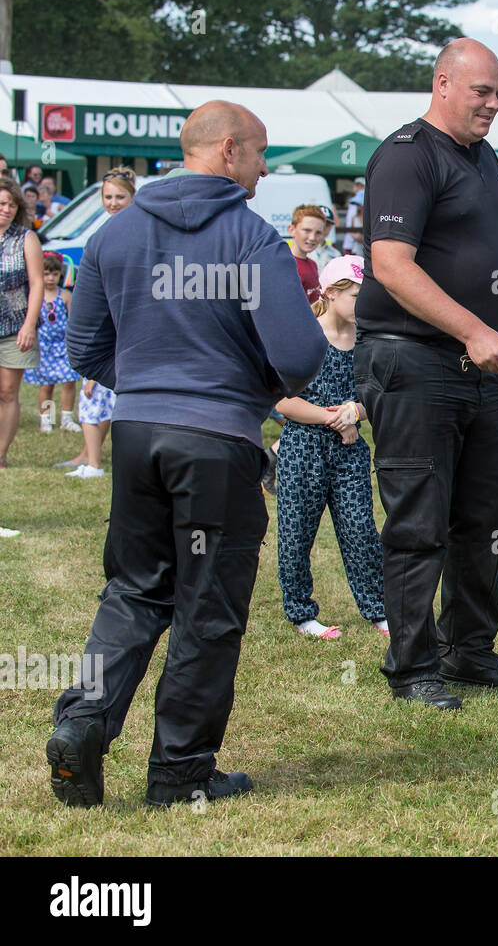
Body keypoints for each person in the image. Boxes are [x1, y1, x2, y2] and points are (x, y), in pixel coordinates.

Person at [47, 100, 328, 808]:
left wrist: (146, 386)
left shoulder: (115, 233)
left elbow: (84, 350)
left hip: (138, 433)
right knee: (208, 603)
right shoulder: (251, 236)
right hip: (218, 441)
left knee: (134, 589)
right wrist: (248, 393)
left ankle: (81, 721)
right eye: (262, 154)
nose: (267, 170)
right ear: (229, 150)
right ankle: (180, 771)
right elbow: (300, 352)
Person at [353, 38, 498, 710]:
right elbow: (392, 265)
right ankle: (412, 664)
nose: (491, 104)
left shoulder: (483, 159)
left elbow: (492, 257)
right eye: (481, 91)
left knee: (490, 516)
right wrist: (471, 328)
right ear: (442, 85)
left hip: (483, 364)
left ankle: (470, 650)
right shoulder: (405, 156)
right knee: (418, 518)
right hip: (411, 358)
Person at [275, 255, 385, 640]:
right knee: (296, 531)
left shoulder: (369, 340)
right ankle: (301, 612)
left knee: (360, 530)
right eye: (356, 295)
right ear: (332, 293)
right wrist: (333, 419)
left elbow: (377, 393)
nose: (363, 303)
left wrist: (356, 411)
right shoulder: (305, 336)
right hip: (303, 447)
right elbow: (283, 400)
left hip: (350, 450)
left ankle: (378, 607)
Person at [60, 170, 138, 479]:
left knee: (101, 393)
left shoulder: (132, 233)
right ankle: (89, 454)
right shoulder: (101, 232)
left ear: (133, 197)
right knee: (97, 395)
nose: (114, 203)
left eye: (120, 197)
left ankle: (97, 461)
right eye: (108, 197)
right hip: (104, 322)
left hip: (122, 326)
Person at [0, 177, 44, 470]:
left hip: (15, 325)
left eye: (11, 205)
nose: (6, 209)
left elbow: (37, 283)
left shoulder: (26, 238)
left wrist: (29, 325)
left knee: (7, 392)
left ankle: (1, 454)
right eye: (2, 204)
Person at [24, 253, 80, 434]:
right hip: (43, 347)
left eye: (54, 274)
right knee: (46, 385)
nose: (50, 278)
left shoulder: (65, 295)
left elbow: (73, 320)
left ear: (60, 275)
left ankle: (66, 418)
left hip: (62, 347)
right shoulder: (36, 295)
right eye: (46, 273)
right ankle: (46, 419)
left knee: (69, 382)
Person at [287, 203, 325, 305]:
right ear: (292, 230)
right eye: (307, 230)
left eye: (318, 233)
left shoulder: (313, 264)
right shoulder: (285, 265)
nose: (312, 237)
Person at [307, 205, 342, 271]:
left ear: (331, 227)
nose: (322, 228)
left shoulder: (336, 254)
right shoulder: (303, 250)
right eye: (319, 223)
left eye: (327, 225)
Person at [342, 176, 365, 254]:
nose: (358, 188)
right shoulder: (352, 204)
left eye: (361, 186)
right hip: (350, 245)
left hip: (361, 249)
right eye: (357, 185)